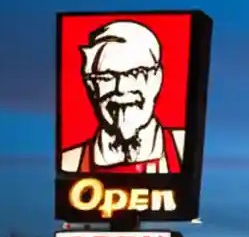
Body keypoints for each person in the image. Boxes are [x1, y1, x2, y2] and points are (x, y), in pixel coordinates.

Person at [59, 20, 184, 174]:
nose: (121, 89)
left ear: (157, 79)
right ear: (92, 86)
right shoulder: (68, 164)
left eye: (135, 73)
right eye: (107, 77)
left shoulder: (184, 147)